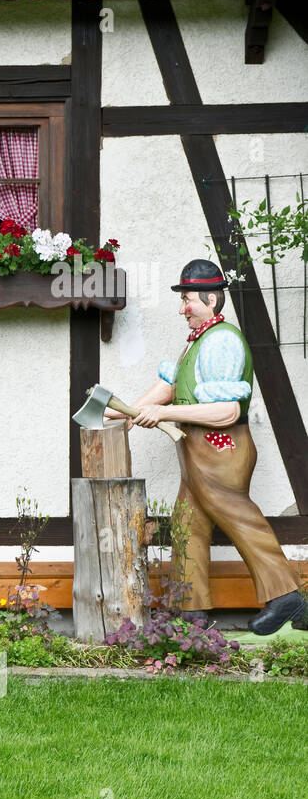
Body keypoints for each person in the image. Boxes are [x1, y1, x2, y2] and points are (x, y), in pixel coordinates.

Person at [112, 259, 306, 635]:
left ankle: (286, 597)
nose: (182, 308)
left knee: (237, 516)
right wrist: (125, 412)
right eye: (183, 299)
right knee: (188, 526)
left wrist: (164, 413)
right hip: (195, 452)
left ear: (211, 300)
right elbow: (167, 389)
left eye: (188, 300)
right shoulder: (197, 342)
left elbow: (228, 410)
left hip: (222, 449)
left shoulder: (223, 341)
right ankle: (191, 609)